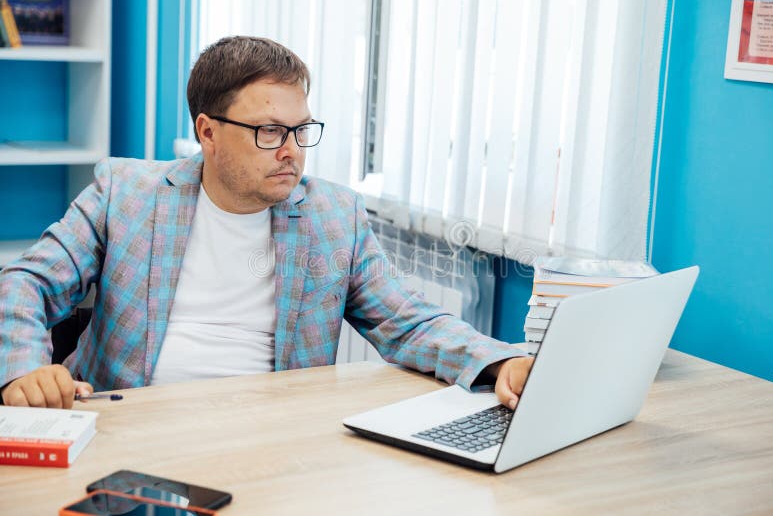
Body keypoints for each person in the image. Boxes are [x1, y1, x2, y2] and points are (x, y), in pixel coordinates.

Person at [0, 36, 533, 410]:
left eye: (302, 130)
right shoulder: (126, 194)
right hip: (129, 420)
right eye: (270, 131)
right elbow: (27, 283)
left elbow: (408, 321)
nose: (292, 152)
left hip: (270, 432)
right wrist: (24, 367)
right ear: (207, 132)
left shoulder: (334, 217)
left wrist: (497, 362)